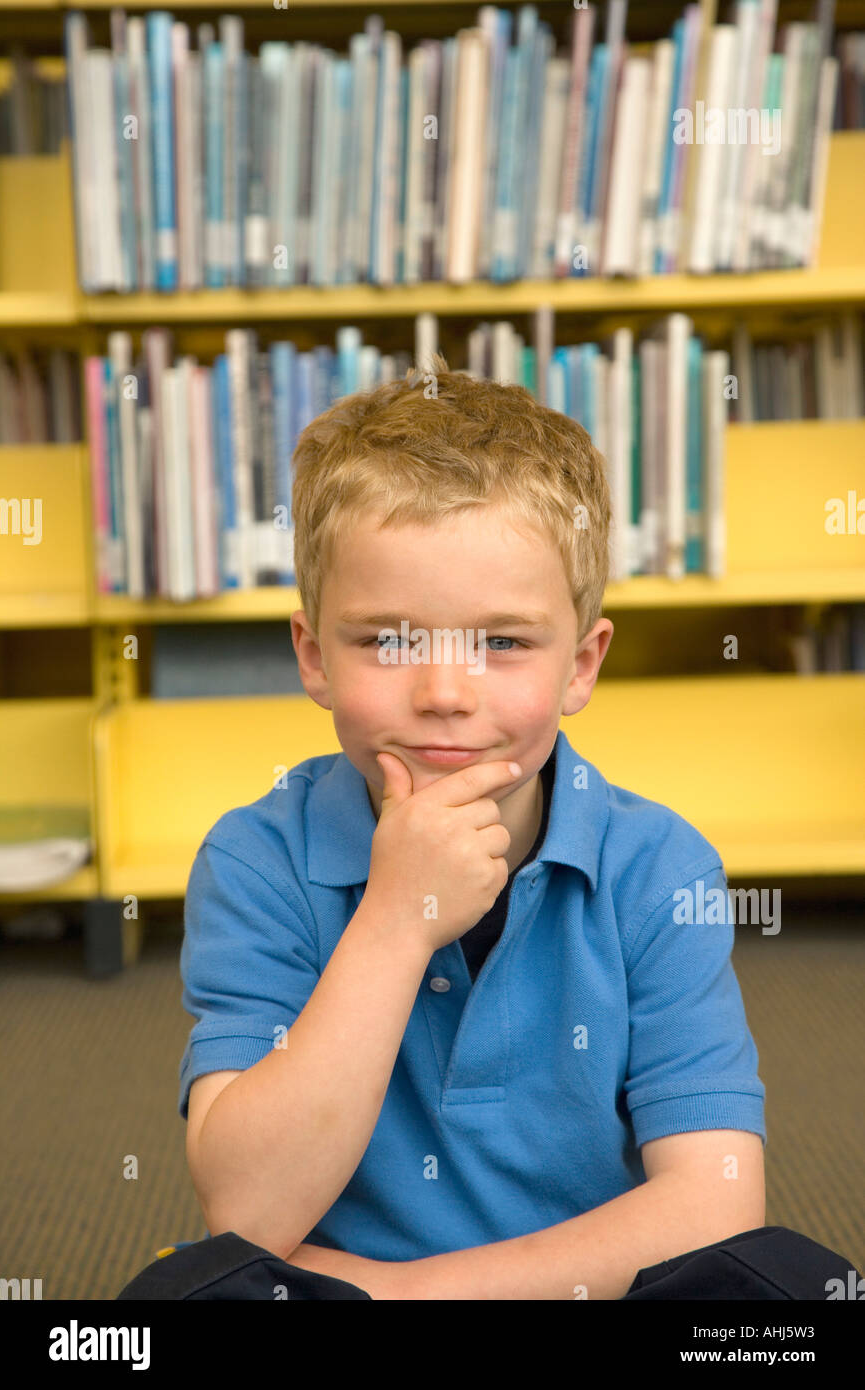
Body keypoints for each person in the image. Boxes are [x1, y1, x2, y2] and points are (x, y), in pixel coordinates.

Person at [167, 355, 823, 1300]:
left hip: (566, 1293)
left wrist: (415, 1298)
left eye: (502, 643)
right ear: (312, 656)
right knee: (176, 1303)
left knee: (791, 1289)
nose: (443, 695)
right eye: (388, 639)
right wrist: (396, 921)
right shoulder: (257, 859)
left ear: (581, 666)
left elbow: (718, 1202)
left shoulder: (660, 865)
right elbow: (248, 1212)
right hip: (332, 1299)